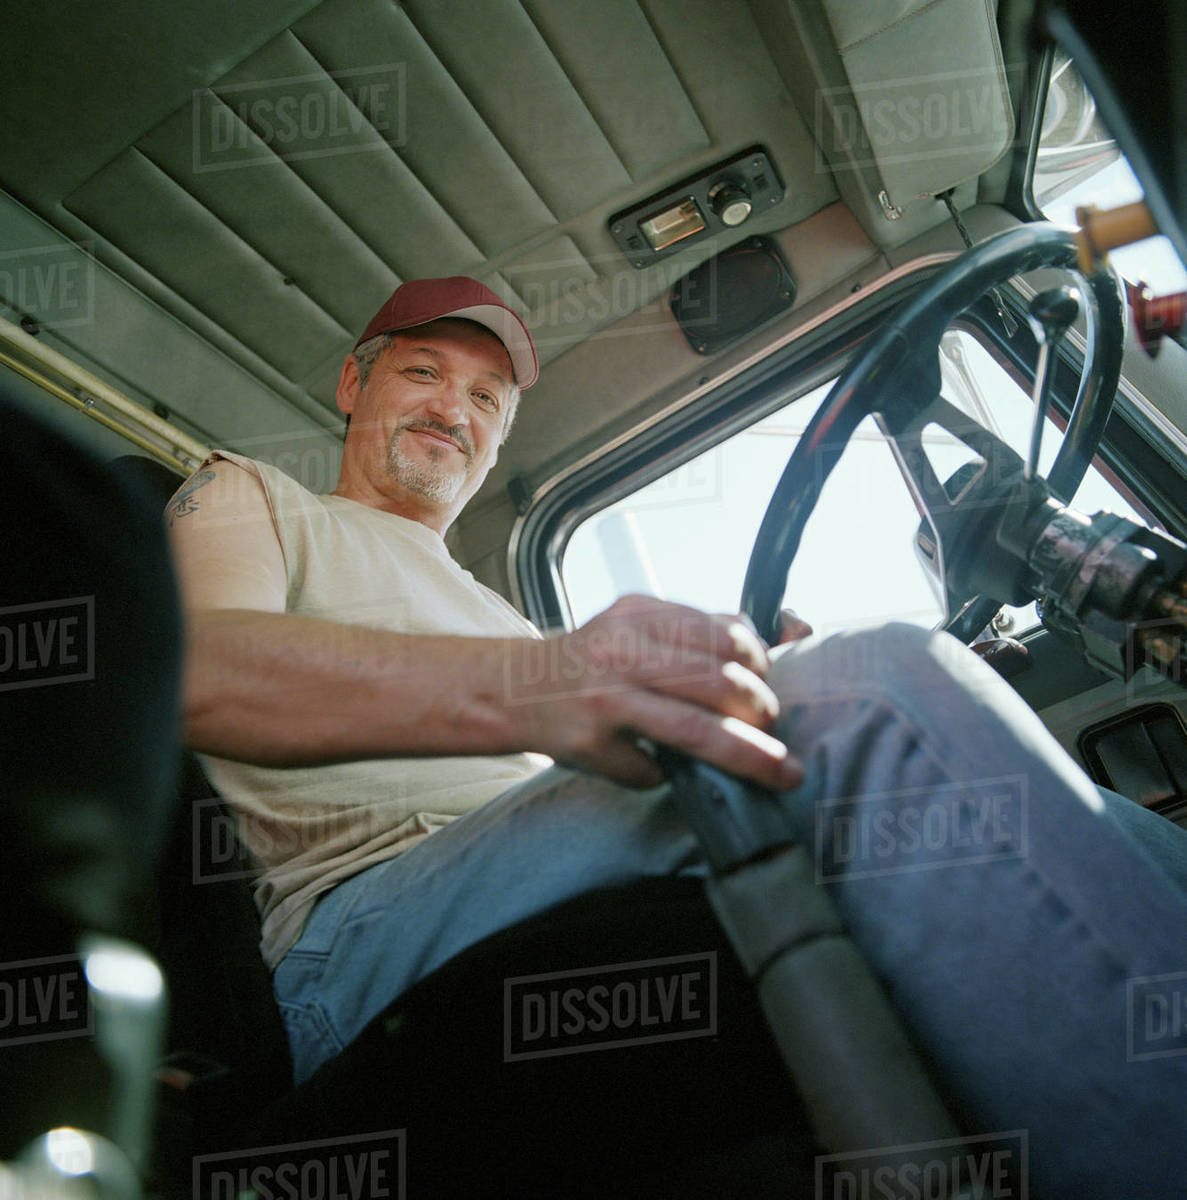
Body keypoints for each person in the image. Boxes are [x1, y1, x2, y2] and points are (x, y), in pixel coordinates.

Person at [168, 276, 1187, 1198]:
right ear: (353, 383)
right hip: (357, 937)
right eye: (424, 372)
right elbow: (195, 670)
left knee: (1010, 776)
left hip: (521, 863)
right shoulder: (254, 497)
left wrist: (737, 679)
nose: (452, 409)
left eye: (486, 399)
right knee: (869, 694)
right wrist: (545, 680)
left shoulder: (502, 611)